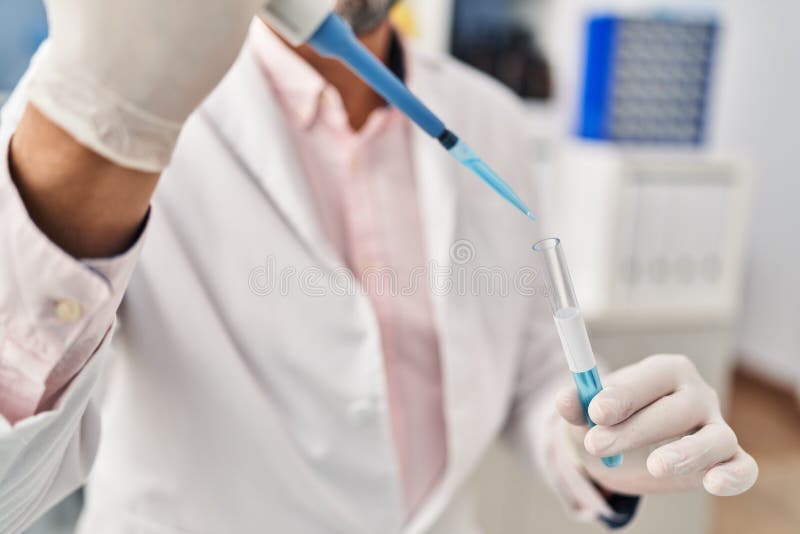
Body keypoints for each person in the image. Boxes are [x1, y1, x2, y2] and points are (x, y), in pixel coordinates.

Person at [0, 0, 757, 532]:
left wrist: (600, 449)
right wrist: (112, 127)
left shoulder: (489, 113)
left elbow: (529, 370)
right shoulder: (92, 104)